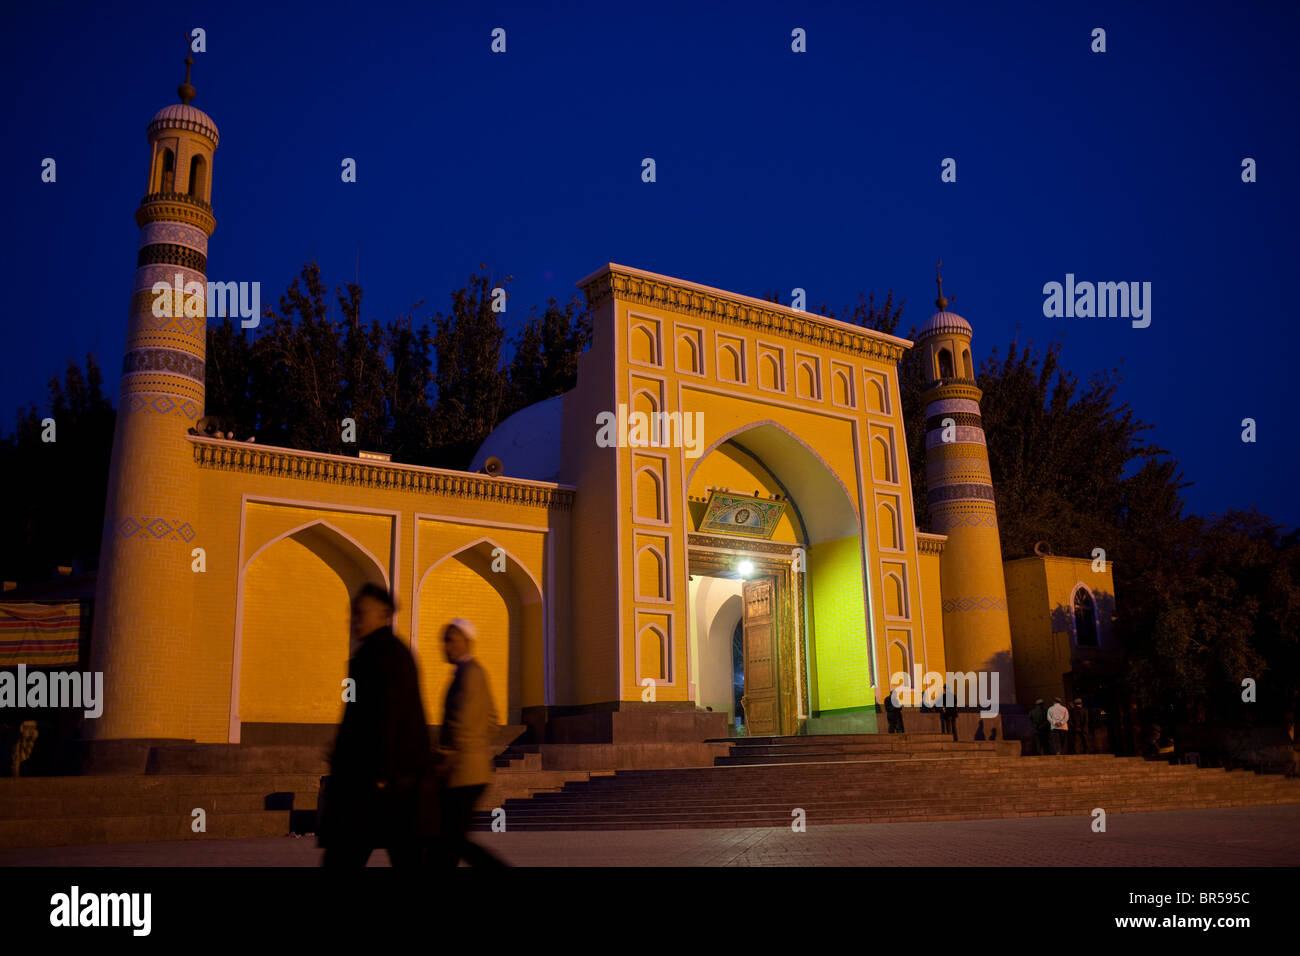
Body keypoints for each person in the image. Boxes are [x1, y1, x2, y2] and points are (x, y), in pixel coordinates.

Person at [321, 583, 430, 867]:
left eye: (361, 613)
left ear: (384, 614)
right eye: (353, 614)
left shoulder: (384, 656)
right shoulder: (378, 653)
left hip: (377, 782)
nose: (354, 620)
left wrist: (382, 773)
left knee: (346, 855)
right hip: (384, 780)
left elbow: (391, 717)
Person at [434, 618, 506, 867]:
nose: (445, 646)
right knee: (452, 840)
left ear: (467, 642)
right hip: (472, 770)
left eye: (451, 640)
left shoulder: (469, 673)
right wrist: (476, 748)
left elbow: (461, 723)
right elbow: (492, 722)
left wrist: (450, 755)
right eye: (445, 640)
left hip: (462, 773)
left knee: (451, 840)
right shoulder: (472, 672)